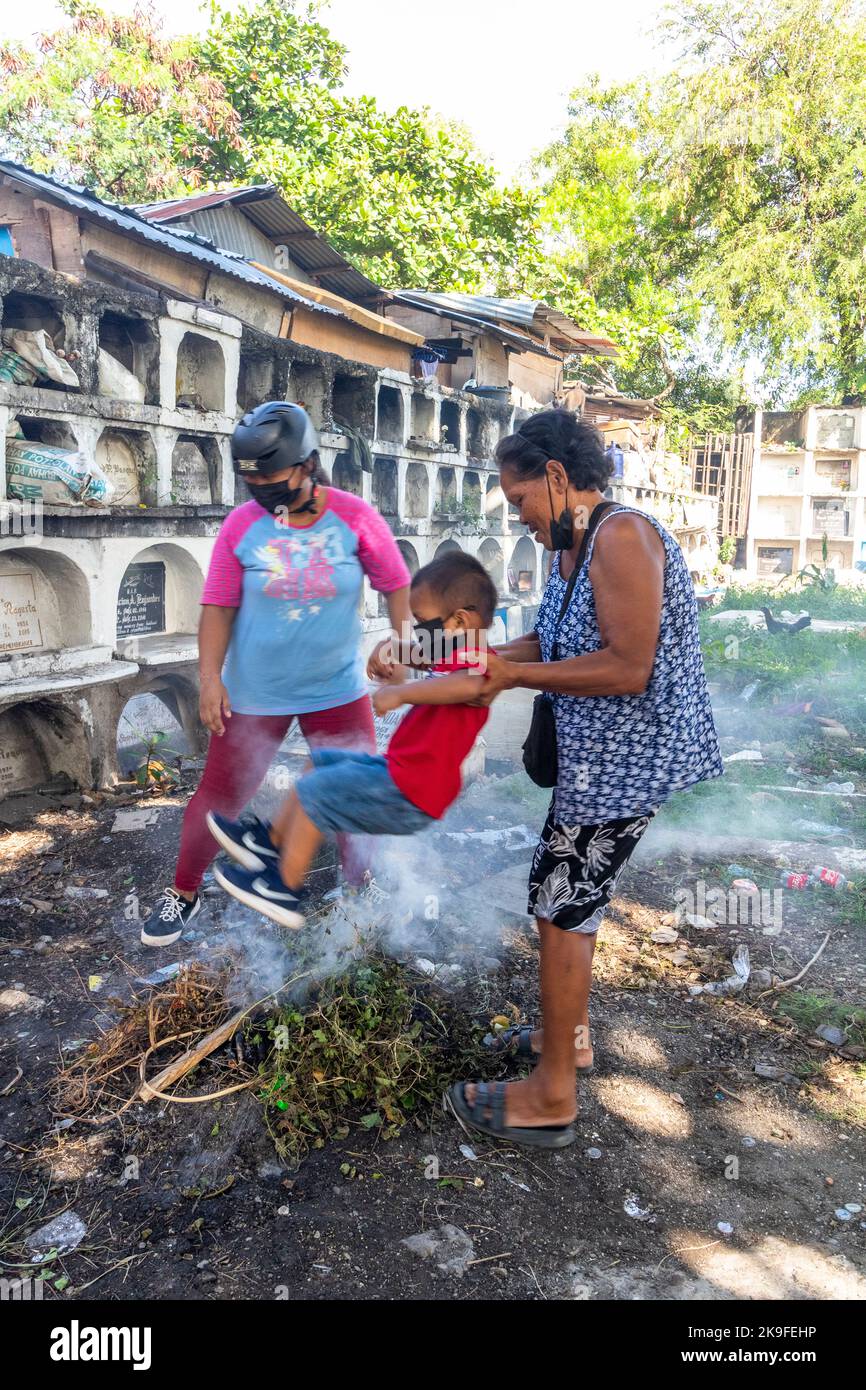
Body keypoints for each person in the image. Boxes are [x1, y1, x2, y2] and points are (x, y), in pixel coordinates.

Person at [444, 409, 723, 1149]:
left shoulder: (622, 536)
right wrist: (494, 659)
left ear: (559, 478)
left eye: (520, 501)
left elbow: (628, 666)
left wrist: (513, 676)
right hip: (596, 760)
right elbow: (563, 639)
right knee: (561, 894)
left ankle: (553, 1095)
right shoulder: (575, 548)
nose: (519, 519)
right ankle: (571, 1040)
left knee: (560, 899)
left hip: (631, 758)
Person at [140, 401, 412, 948]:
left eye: (270, 472)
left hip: (336, 688)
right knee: (220, 798)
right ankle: (183, 892)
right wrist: (211, 680)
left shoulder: (356, 517)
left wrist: (402, 642)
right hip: (255, 694)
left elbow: (396, 583)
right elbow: (217, 605)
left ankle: (361, 886)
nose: (260, 484)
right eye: (251, 476)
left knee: (349, 789)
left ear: (308, 463)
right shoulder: (242, 526)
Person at [207, 552, 496, 927]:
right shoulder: (457, 647)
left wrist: (402, 693)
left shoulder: (481, 663)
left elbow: (468, 684)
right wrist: (390, 651)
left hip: (413, 791)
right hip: (399, 773)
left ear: (460, 620)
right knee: (323, 760)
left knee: (319, 792)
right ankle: (272, 843)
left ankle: (282, 890)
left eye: (423, 622)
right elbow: (424, 656)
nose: (418, 630)